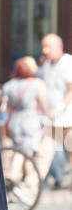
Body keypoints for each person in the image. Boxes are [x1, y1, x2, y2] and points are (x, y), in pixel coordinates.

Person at [38, 33, 72, 188]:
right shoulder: (46, 65)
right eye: (43, 46)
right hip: (53, 121)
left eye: (48, 47)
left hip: (68, 119)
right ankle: (32, 188)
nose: (44, 50)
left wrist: (59, 108)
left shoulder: (67, 63)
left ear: (59, 47)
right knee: (44, 153)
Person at [3, 57, 48, 157]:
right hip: (30, 121)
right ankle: (14, 172)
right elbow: (44, 107)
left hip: (13, 122)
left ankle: (23, 172)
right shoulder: (37, 84)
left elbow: (6, 107)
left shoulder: (8, 86)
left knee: (19, 151)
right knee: (26, 154)